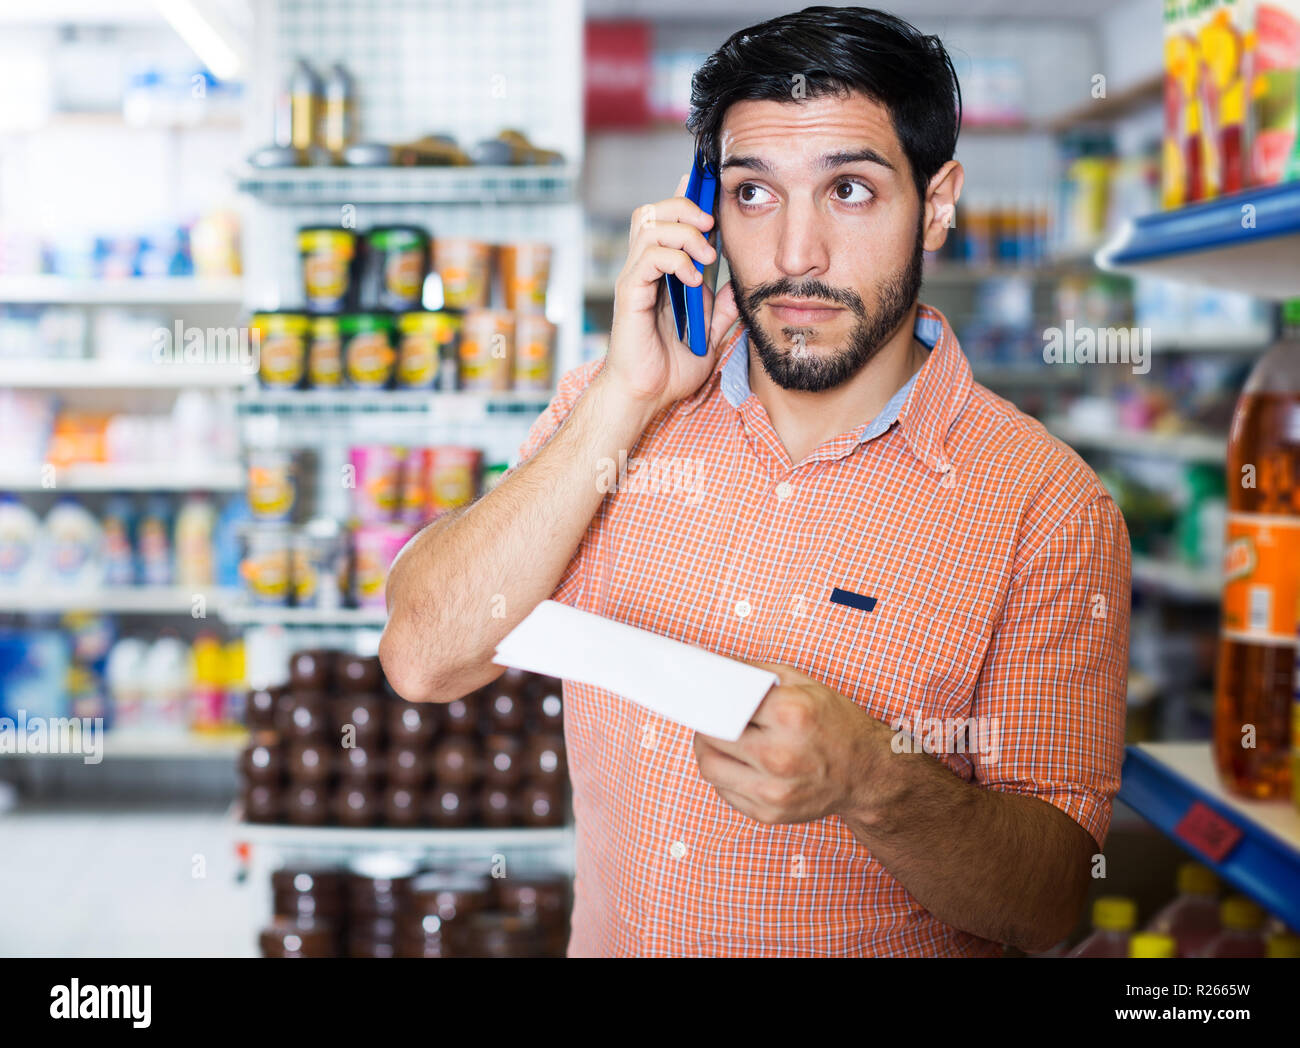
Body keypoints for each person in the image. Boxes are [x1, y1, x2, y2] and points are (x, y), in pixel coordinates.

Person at [380, 5, 1130, 957]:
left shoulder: (1049, 508)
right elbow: (422, 654)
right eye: (753, 194)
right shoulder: (613, 411)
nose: (794, 255)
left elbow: (1050, 900)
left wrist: (874, 779)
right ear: (703, 208)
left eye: (850, 190)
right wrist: (625, 397)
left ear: (937, 203)